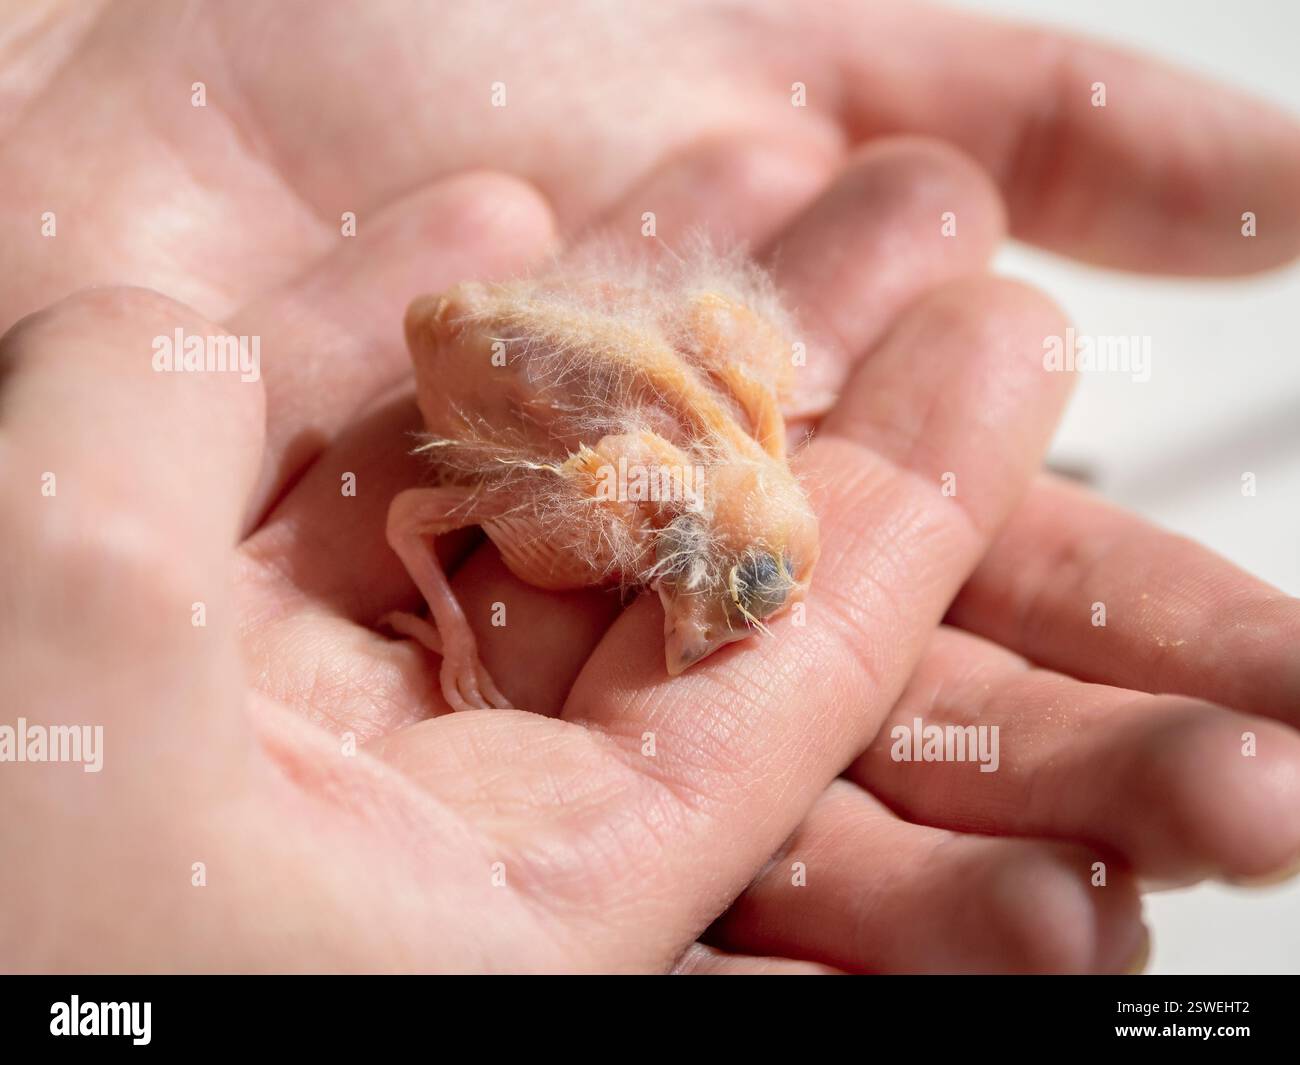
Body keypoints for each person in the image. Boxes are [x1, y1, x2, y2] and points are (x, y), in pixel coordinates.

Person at [1, 0, 1297, 973]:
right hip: (479, 356)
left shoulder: (721, 441)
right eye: (719, 587)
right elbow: (411, 513)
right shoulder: (620, 484)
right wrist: (452, 628)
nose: (705, 627)